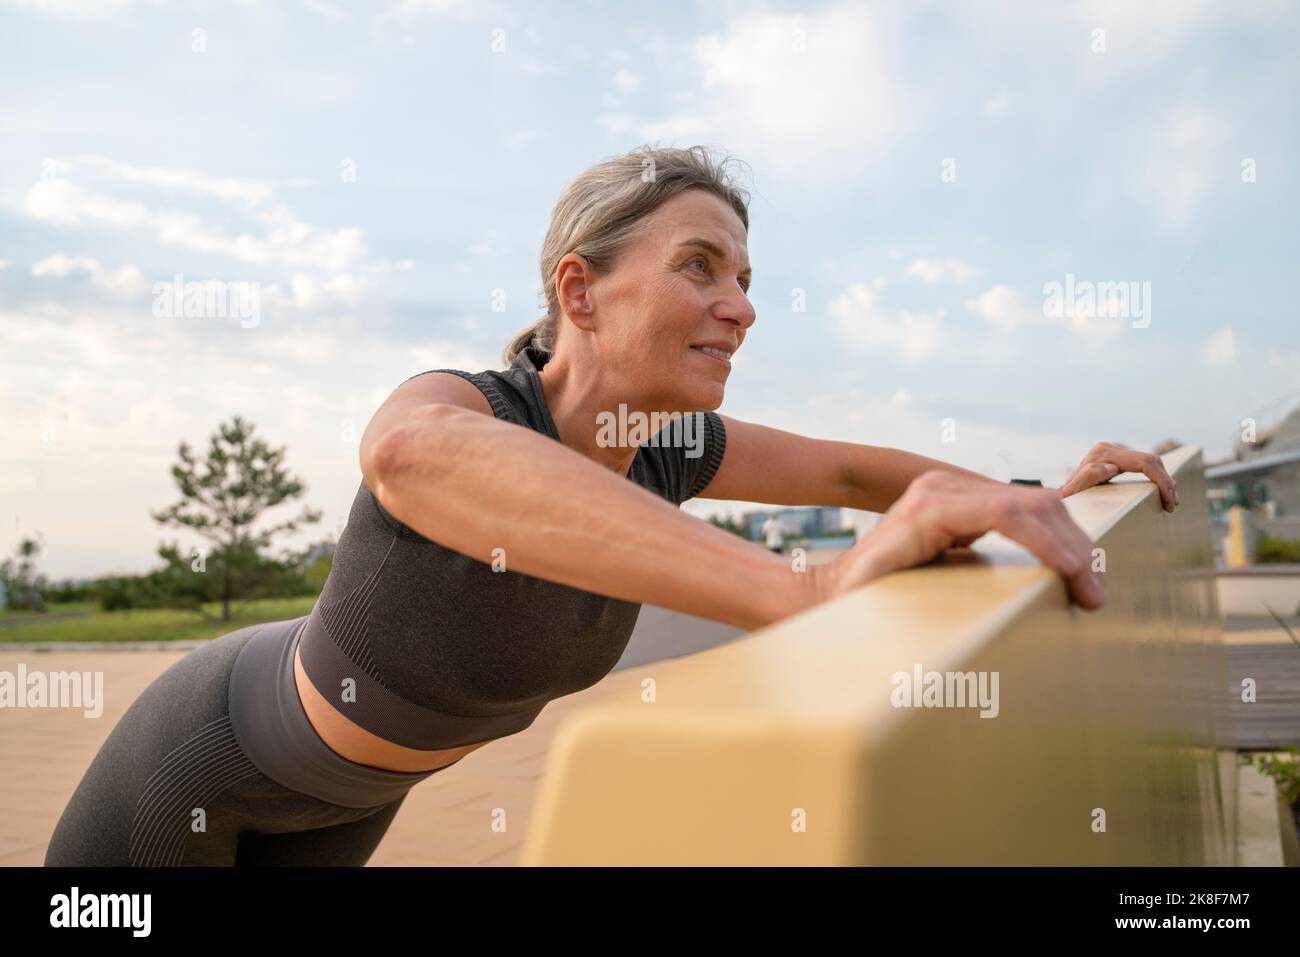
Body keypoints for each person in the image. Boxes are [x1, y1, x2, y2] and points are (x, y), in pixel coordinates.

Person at [43, 145, 1179, 867]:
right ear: (578, 290)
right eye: (700, 267)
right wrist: (811, 586)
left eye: (744, 280)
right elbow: (406, 453)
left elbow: (844, 476)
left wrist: (1036, 493)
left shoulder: (666, 450)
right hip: (197, 760)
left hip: (350, 804)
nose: (738, 308)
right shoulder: (470, 409)